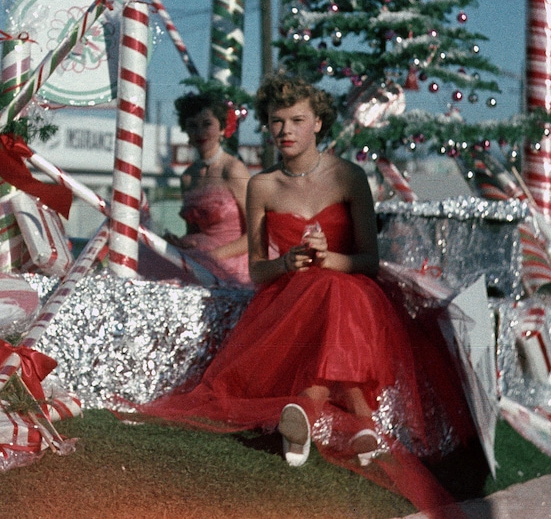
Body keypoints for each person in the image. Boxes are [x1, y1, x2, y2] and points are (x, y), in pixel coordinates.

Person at [136, 74, 472, 516]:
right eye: (277, 121)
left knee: (336, 290)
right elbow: (258, 269)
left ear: (318, 123)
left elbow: (368, 260)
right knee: (327, 293)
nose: (286, 130)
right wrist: (288, 261)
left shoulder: (350, 177)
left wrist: (327, 258)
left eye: (297, 119)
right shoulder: (262, 185)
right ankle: (360, 422)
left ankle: (305, 412)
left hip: (350, 287)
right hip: (290, 294)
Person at [160, 91, 252, 286]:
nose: (200, 132)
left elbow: (257, 235)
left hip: (233, 262)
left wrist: (211, 257)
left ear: (222, 128)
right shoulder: (188, 177)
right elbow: (195, 232)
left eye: (207, 124)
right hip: (199, 259)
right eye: (193, 126)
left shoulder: (233, 169)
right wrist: (183, 244)